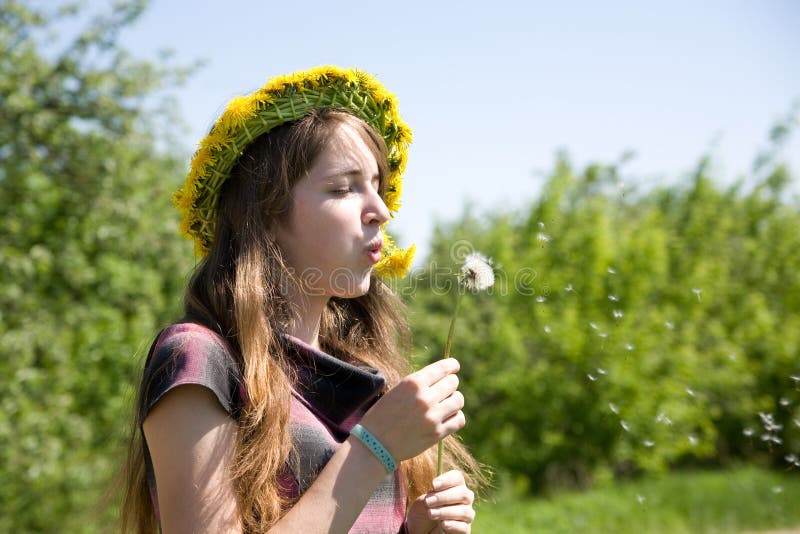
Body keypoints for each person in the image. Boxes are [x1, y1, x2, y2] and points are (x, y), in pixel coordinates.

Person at [120, 66, 485, 533]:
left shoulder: (360, 377)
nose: (381, 210)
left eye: (376, 183)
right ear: (265, 215)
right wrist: (374, 447)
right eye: (342, 187)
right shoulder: (199, 359)